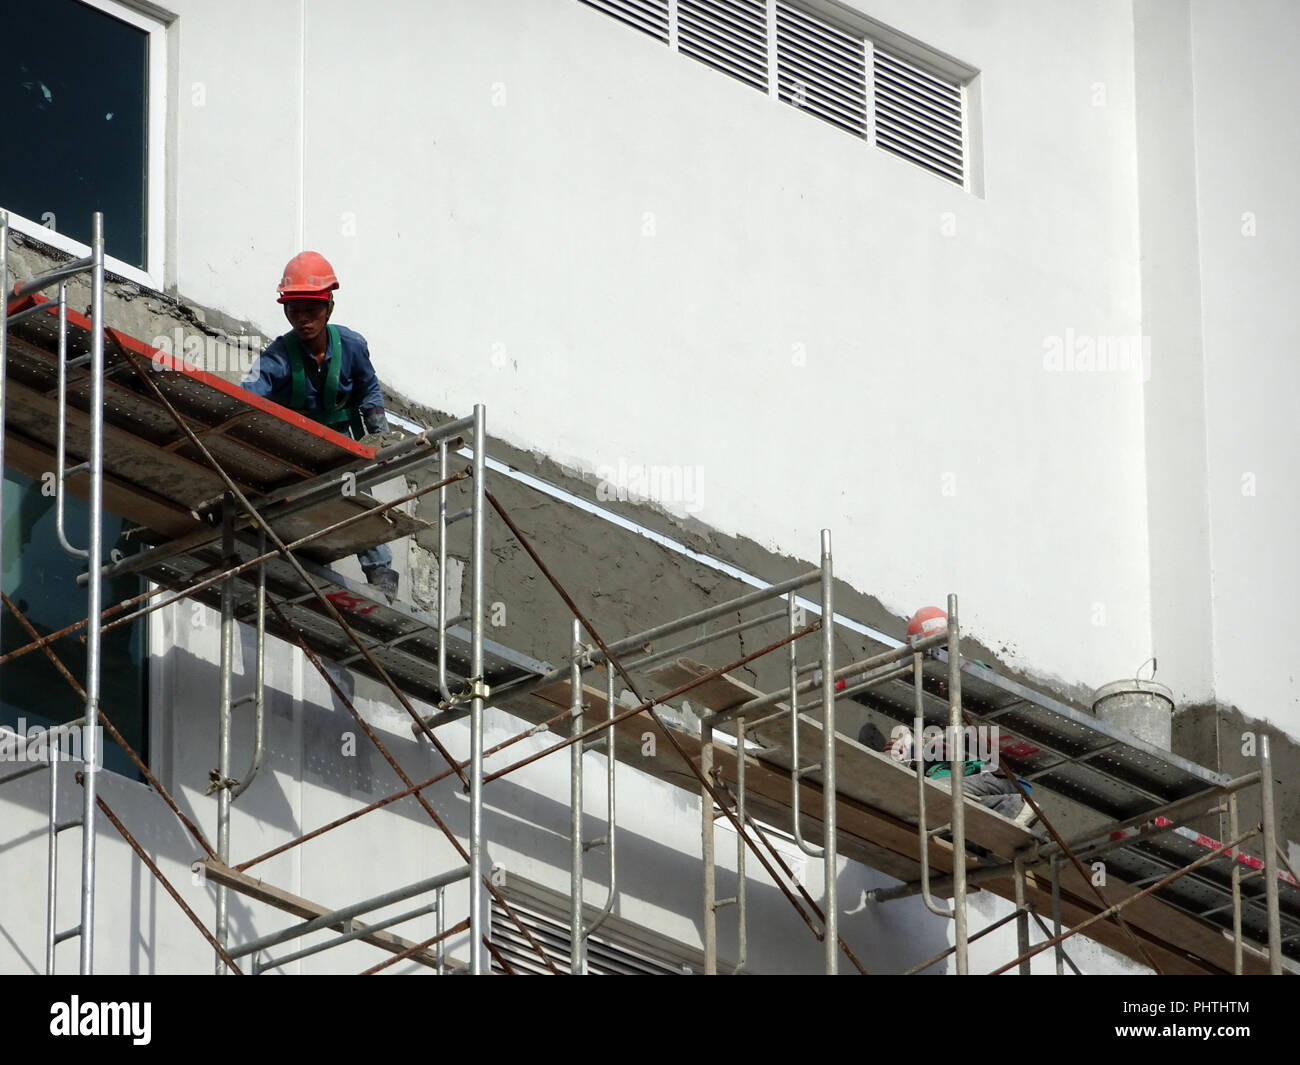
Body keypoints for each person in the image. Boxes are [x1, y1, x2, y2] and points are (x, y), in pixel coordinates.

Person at [241, 251, 400, 599]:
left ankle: (381, 571)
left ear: (328, 307)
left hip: (340, 440)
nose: (302, 319)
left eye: (311, 309)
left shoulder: (352, 346)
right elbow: (249, 396)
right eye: (294, 310)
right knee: (293, 503)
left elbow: (368, 389)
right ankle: (299, 558)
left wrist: (378, 435)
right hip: (296, 443)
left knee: (356, 498)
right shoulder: (278, 356)